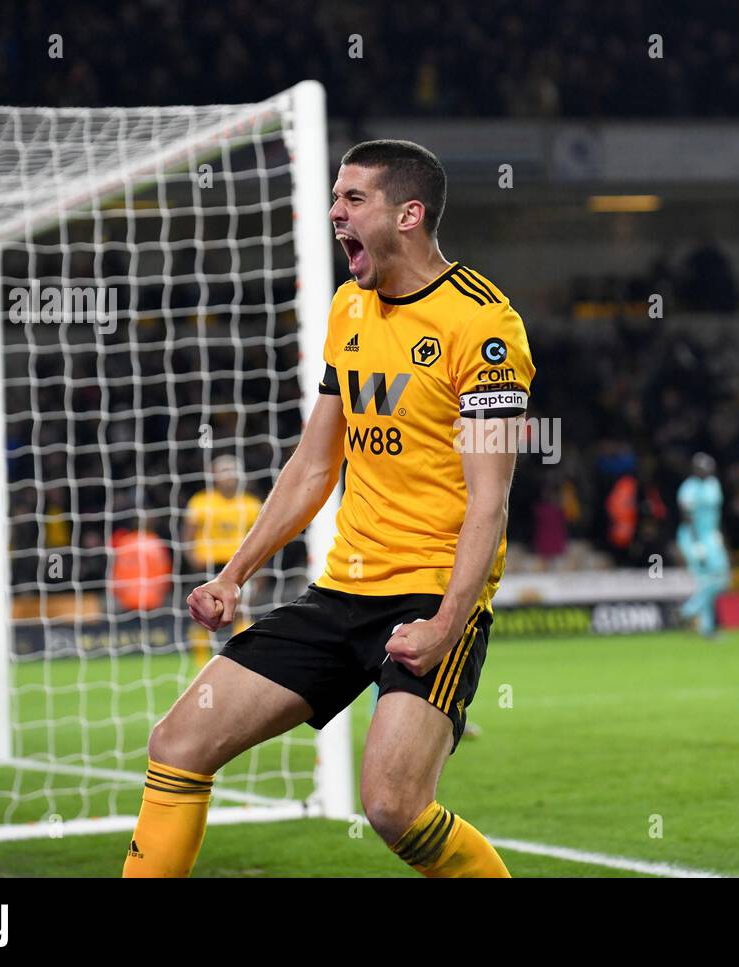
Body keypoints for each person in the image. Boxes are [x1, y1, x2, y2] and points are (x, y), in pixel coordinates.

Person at [123, 139, 534, 877]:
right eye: (334, 197)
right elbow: (315, 463)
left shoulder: (484, 325)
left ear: (408, 214)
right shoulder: (349, 306)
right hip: (341, 592)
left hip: (429, 593)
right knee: (178, 740)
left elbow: (490, 501)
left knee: (392, 805)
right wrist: (234, 573)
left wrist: (447, 623)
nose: (334, 211)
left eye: (352, 199)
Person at [180, 455, 263, 666]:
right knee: (203, 613)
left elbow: (260, 540)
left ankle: (243, 659)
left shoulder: (251, 504)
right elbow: (187, 535)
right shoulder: (200, 502)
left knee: (242, 609)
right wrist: (193, 560)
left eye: (232, 470)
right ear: (213, 475)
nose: (229, 475)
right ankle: (200, 664)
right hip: (208, 564)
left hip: (239, 565)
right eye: (223, 470)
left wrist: (258, 569)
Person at [677, 452, 729, 637]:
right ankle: (707, 628)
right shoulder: (689, 488)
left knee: (722, 579)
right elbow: (687, 518)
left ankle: (688, 611)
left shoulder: (714, 484)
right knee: (706, 580)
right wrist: (697, 544)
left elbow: (717, 514)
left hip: (711, 536)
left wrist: (719, 536)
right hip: (694, 537)